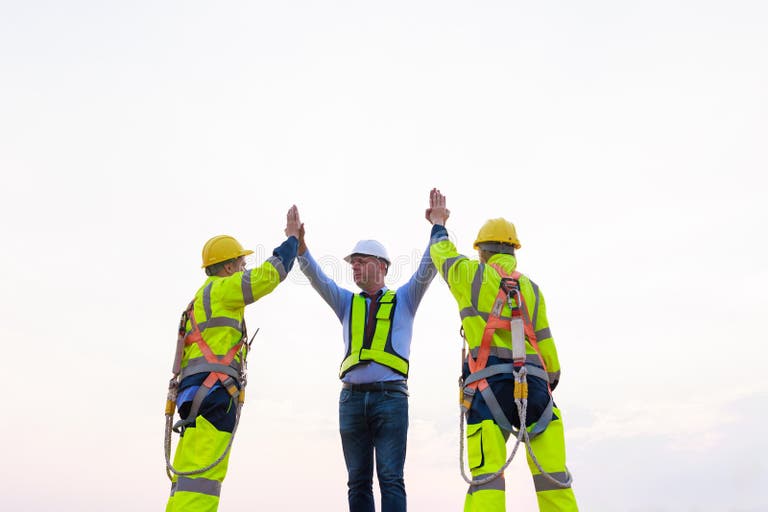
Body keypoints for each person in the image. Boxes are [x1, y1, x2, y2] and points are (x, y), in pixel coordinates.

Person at [425, 188, 578, 512]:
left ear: (481, 252)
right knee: (554, 482)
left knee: (488, 483)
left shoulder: (471, 275)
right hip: (536, 390)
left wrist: (438, 223)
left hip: (489, 389)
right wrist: (546, 381)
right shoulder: (532, 290)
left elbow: (443, 254)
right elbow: (547, 345)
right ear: (513, 251)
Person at [165, 205, 302, 512]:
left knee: (188, 474)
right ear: (227, 268)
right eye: (240, 263)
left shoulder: (196, 302)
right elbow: (269, 275)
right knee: (204, 478)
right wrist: (292, 239)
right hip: (214, 396)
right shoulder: (224, 290)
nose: (243, 268)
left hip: (193, 397)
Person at [296, 221, 436, 512]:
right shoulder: (346, 302)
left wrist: (438, 226)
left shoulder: (405, 299)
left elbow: (428, 265)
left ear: (382, 266)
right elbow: (318, 279)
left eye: (361, 262)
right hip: (351, 399)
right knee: (357, 481)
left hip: (391, 398)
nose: (354, 267)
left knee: (391, 478)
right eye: (353, 263)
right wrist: (301, 248)